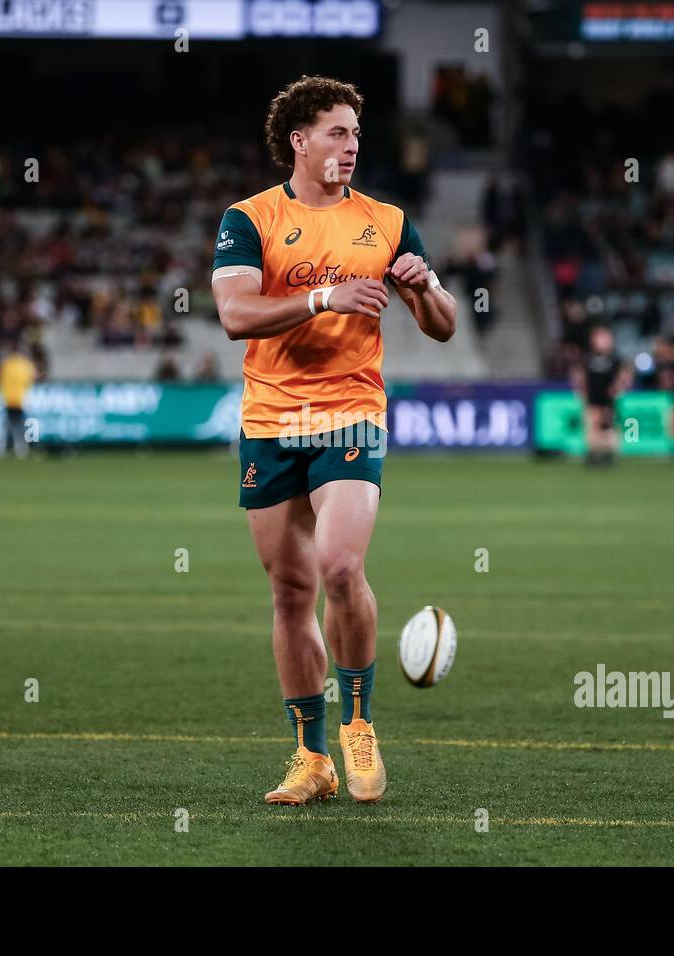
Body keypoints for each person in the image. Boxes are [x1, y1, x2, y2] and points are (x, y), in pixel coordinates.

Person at [211, 75, 456, 805]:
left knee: (341, 568)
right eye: (337, 133)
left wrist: (422, 288)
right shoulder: (248, 217)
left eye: (356, 133)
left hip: (350, 411)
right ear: (300, 140)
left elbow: (443, 325)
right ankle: (310, 757)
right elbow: (234, 314)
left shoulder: (386, 221)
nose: (351, 147)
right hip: (270, 422)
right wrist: (324, 295)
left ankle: (358, 726)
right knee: (291, 593)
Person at [574, 326, 630, 466]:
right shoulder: (589, 357)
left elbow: (625, 374)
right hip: (592, 397)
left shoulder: (614, 358)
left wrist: (619, 386)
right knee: (592, 426)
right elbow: (580, 375)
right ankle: (595, 455)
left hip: (607, 399)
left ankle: (609, 455)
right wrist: (580, 389)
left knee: (608, 427)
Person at [0, 337, 36, 459]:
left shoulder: (6, 364)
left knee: (5, 426)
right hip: (19, 399)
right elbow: (30, 380)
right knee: (20, 426)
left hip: (8, 399)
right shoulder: (26, 364)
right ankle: (21, 449)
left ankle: (0, 449)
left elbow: (1, 381)